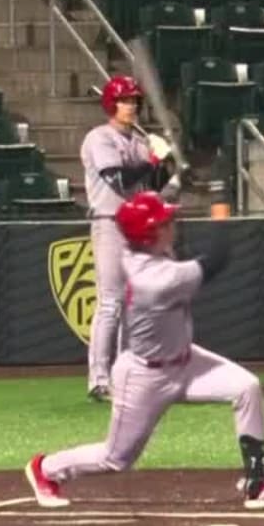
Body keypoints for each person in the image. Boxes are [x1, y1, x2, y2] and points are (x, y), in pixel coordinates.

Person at [24, 192, 264, 512]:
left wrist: (175, 181)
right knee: (116, 459)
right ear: (149, 234)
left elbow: (154, 219)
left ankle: (259, 483)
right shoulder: (157, 280)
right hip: (145, 376)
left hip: (186, 360)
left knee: (246, 387)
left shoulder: (145, 252)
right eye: (164, 223)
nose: (172, 225)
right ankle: (45, 468)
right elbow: (217, 259)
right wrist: (220, 212)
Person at [81, 76, 174, 402]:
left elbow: (155, 186)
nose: (131, 106)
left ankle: (124, 376)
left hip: (137, 228)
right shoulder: (99, 138)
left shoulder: (137, 141)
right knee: (110, 303)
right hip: (109, 223)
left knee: (136, 304)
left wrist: (165, 162)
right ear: (111, 104)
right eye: (125, 100)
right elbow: (118, 180)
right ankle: (99, 379)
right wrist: (149, 161)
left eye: (134, 101)